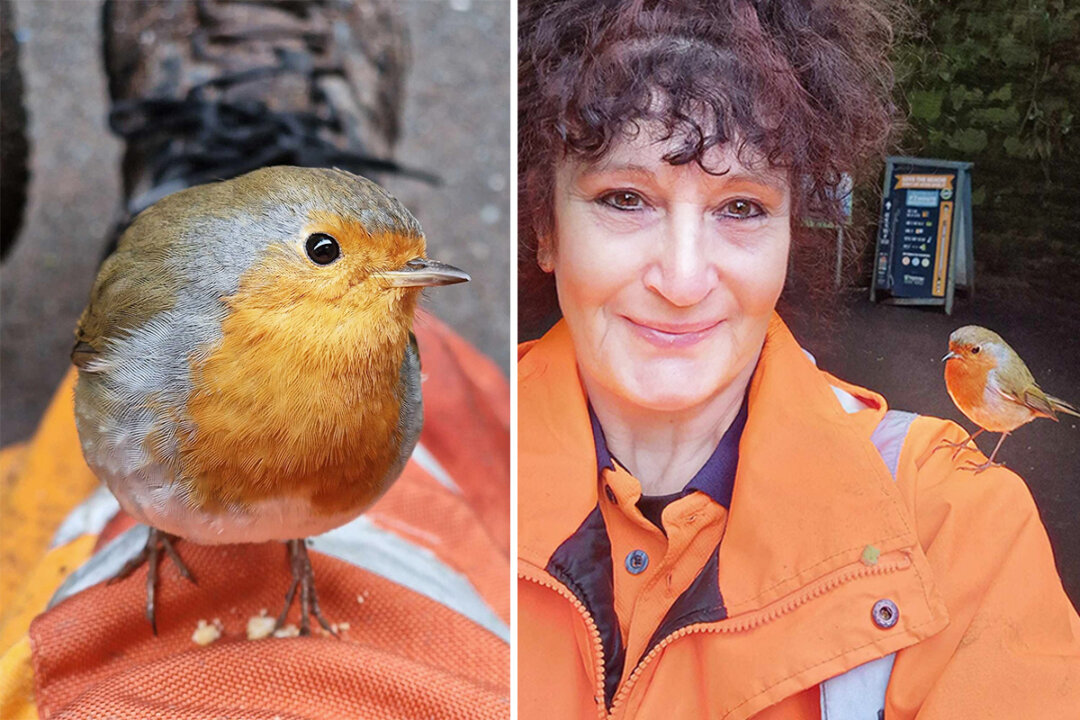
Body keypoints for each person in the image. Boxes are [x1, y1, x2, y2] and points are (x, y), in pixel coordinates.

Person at [517, 1, 1080, 718]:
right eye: (626, 198)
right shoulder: (430, 449)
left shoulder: (954, 533)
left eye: (741, 207)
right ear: (546, 223)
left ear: (790, 229)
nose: (684, 281)